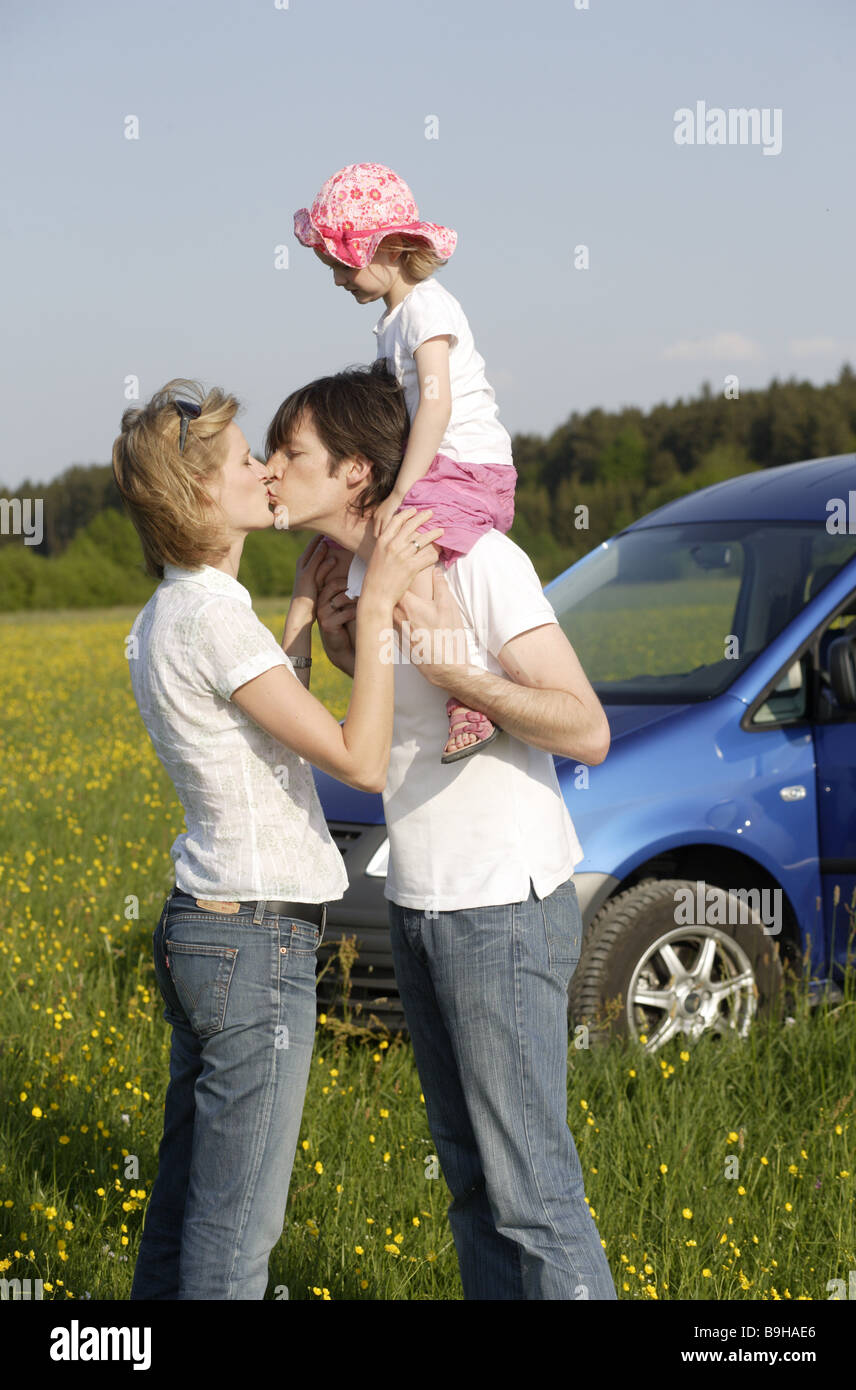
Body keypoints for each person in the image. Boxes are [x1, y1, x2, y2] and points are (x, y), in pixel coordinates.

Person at [264, 364, 618, 1300]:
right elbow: (400, 740)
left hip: (500, 902)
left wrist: (462, 674)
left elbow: (586, 727)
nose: (269, 469)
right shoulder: (355, 574)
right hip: (422, 896)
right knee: (470, 1188)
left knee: (531, 1194)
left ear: (352, 471)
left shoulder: (476, 559)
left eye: (290, 452)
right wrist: (344, 649)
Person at [112, 376, 440, 1300]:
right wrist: (374, 618)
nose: (264, 470)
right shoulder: (215, 620)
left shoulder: (174, 613)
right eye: (244, 459)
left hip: (208, 924)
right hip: (254, 940)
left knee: (183, 1209)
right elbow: (358, 760)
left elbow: (257, 732)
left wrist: (297, 621)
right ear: (198, 495)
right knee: (237, 1230)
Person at [294, 160, 515, 763]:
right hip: (442, 464)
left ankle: (466, 692)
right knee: (392, 548)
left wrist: (401, 491)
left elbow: (436, 407)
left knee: (405, 544)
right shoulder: (393, 322)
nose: (338, 279)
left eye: (342, 263)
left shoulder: (426, 308)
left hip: (466, 465)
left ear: (387, 248)